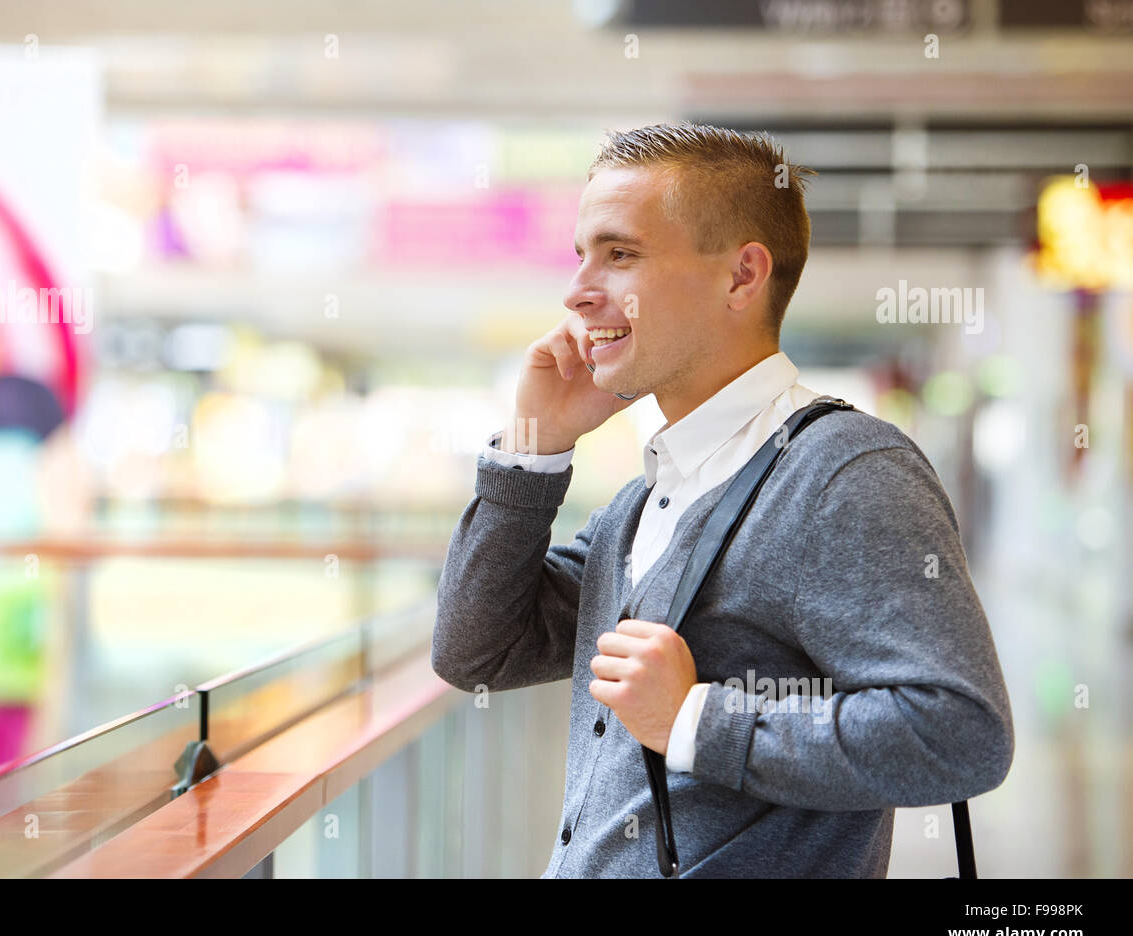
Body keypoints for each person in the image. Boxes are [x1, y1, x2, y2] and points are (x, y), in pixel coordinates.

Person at [431, 121, 1014, 877]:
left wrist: (694, 721)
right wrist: (533, 448)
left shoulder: (844, 472)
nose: (577, 291)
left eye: (620, 254)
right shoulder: (645, 503)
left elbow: (961, 734)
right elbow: (479, 651)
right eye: (582, 256)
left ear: (742, 276)